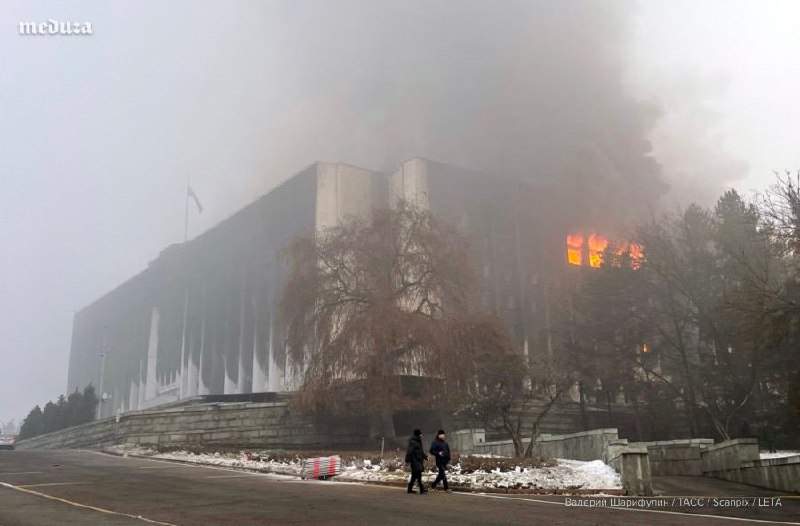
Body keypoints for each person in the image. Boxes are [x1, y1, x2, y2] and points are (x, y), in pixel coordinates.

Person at [405, 428, 427, 494]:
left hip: (418, 460)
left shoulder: (418, 441)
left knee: (414, 476)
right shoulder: (413, 442)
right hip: (415, 461)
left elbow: (420, 451)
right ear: (418, 434)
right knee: (419, 475)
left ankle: (409, 489)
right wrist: (407, 460)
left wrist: (425, 457)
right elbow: (409, 451)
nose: (421, 435)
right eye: (420, 434)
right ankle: (422, 490)